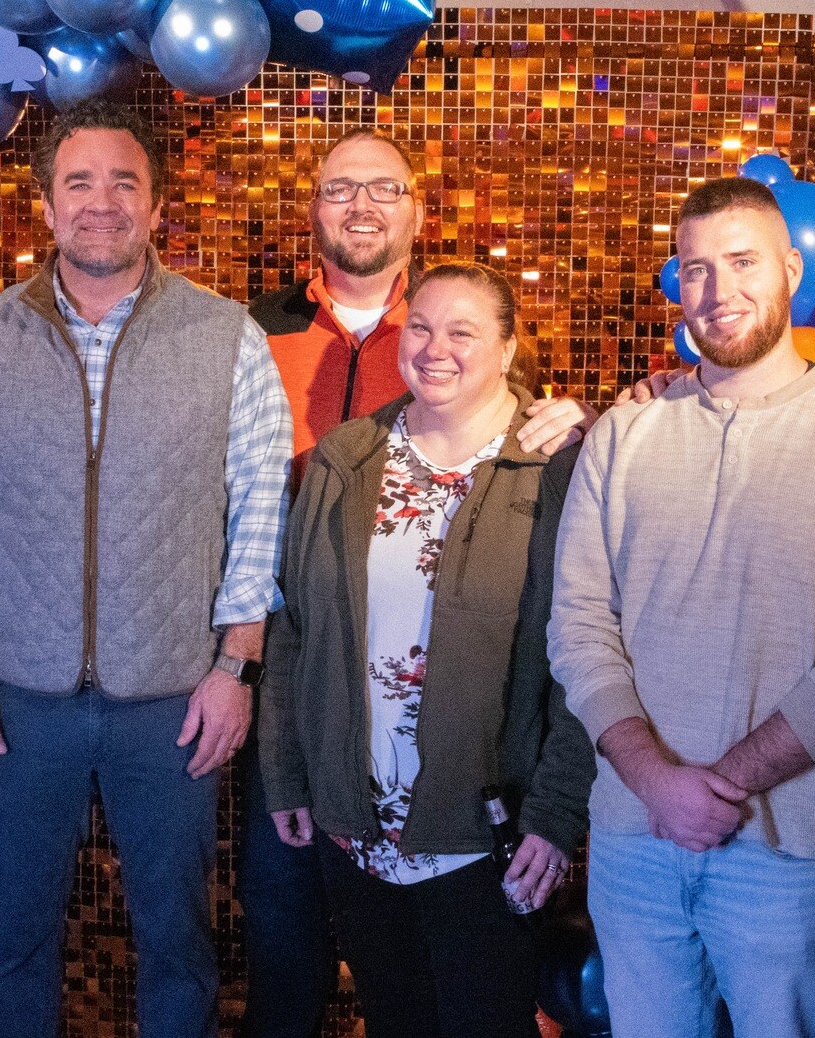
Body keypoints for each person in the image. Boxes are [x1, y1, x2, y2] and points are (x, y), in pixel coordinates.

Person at [0, 99, 293, 1038]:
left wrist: (235, 667)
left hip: (174, 698)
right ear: (46, 205)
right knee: (13, 940)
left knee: (178, 941)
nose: (102, 201)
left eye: (125, 182)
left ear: (157, 205)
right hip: (19, 699)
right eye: (79, 182)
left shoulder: (227, 336)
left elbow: (258, 514)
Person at [549, 177, 815, 1038]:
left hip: (787, 845)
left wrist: (724, 783)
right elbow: (577, 625)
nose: (719, 291)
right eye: (696, 269)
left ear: (792, 268)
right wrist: (657, 782)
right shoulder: (624, 433)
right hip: (633, 837)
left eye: (742, 262)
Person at [240, 127, 596, 1037]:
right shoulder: (337, 449)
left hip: (482, 827)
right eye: (425, 330)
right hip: (348, 814)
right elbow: (294, 627)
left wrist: (555, 813)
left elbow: (583, 658)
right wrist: (286, 773)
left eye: (463, 332)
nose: (437, 347)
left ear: (507, 349)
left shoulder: (551, 466)